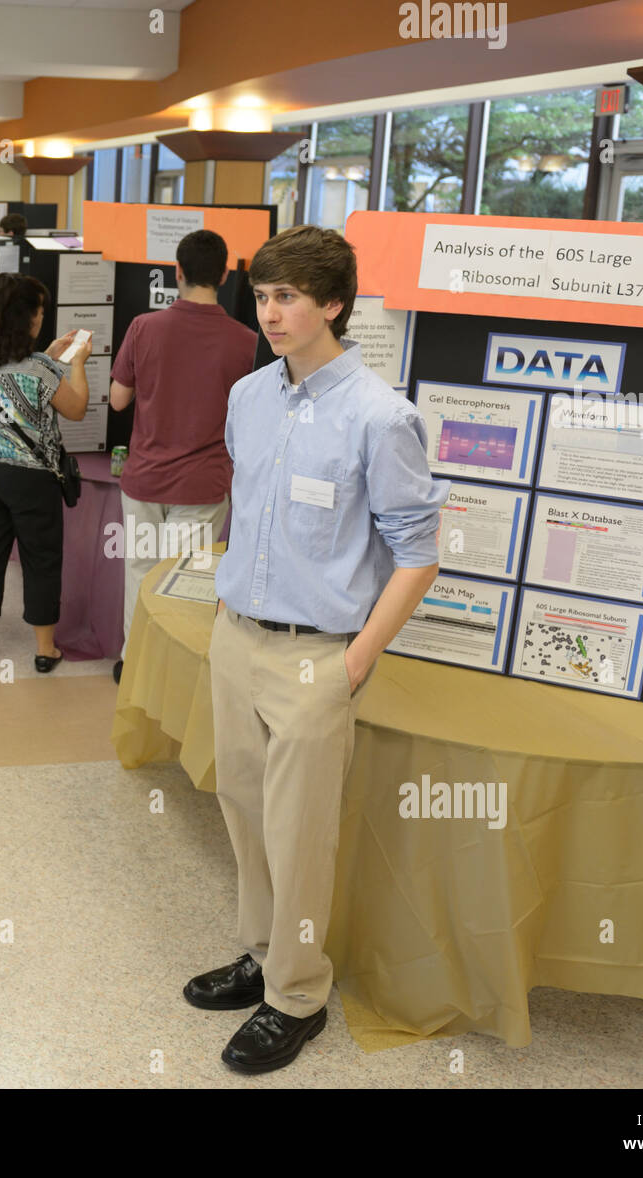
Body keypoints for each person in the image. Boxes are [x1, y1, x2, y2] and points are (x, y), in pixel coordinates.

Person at [190, 225, 447, 1074]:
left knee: (300, 835)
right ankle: (263, 955)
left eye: (289, 297)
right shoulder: (250, 396)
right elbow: (250, 503)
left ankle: (298, 998)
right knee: (245, 810)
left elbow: (418, 553)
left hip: (317, 655)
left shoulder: (381, 415)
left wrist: (356, 660)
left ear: (333, 304)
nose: (271, 312)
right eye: (262, 295)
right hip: (238, 639)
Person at [109, 229, 256, 684]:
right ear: (227, 274)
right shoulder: (248, 342)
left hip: (144, 478)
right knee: (185, 584)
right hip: (203, 483)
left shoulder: (143, 327)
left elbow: (117, 401)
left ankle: (133, 664)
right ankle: (172, 676)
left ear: (178, 271)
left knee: (140, 572)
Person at [0, 274, 88, 673]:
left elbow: (12, 372)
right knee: (41, 558)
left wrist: (50, 354)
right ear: (25, 316)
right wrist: (78, 364)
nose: (41, 317)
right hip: (32, 478)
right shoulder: (39, 369)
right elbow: (77, 408)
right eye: (39, 310)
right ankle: (44, 649)